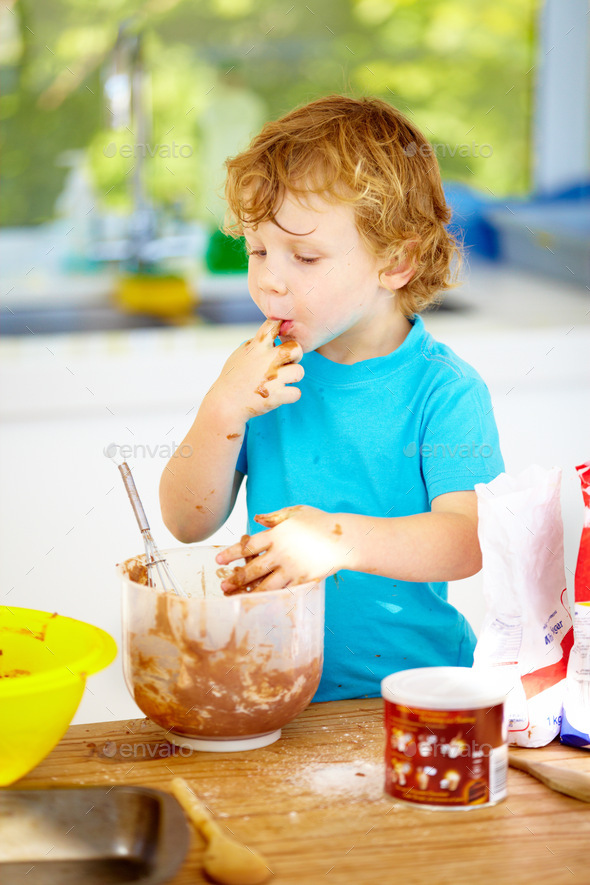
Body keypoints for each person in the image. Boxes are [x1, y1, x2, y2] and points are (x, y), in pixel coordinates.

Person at [160, 94, 504, 701]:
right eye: (258, 250)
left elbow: (469, 540)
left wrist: (339, 539)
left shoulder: (444, 392)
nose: (269, 278)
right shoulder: (260, 376)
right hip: (273, 684)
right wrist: (221, 412)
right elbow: (187, 522)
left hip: (409, 693)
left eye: (305, 256)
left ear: (396, 259)